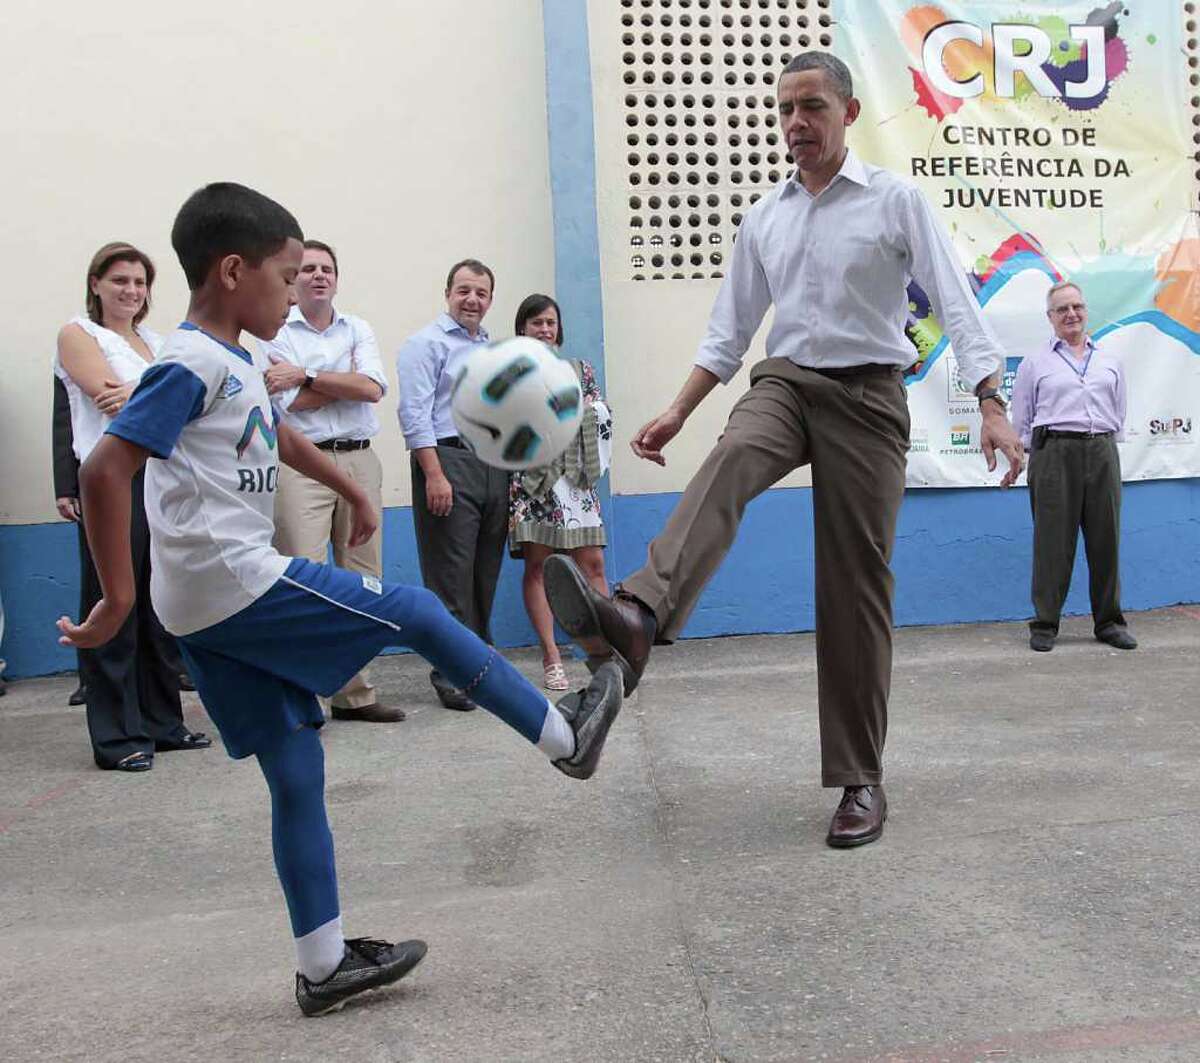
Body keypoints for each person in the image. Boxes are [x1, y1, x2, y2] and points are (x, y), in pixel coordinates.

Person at [57, 182, 623, 1017]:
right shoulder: (187, 361)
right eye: (285, 277)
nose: (292, 292)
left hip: (203, 601)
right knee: (420, 612)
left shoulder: (234, 360)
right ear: (231, 269)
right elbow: (107, 467)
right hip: (235, 580)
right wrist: (115, 598)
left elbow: (273, 431)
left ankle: (323, 966)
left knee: (296, 767)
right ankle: (565, 736)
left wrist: (345, 487)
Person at [540, 52, 1024, 849]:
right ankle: (637, 611)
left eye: (810, 108)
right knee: (733, 456)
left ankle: (859, 777)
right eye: (785, 111)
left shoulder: (895, 200)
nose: (795, 125)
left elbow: (956, 302)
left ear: (848, 113)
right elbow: (728, 333)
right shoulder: (765, 217)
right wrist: (675, 411)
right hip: (789, 383)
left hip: (869, 397)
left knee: (854, 584)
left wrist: (992, 401)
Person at [53, 241, 209, 771]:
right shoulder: (79, 334)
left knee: (159, 606)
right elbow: (103, 393)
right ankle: (119, 737)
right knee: (112, 605)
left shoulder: (156, 342)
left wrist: (140, 389)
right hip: (111, 482)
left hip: (159, 480)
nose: (131, 291)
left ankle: (164, 723)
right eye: (120, 280)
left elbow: (182, 401)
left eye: (140, 283)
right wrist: (155, 391)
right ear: (96, 283)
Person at [260, 240, 403, 723]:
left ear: (336, 279)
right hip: (304, 465)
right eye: (307, 269)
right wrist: (343, 385)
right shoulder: (276, 332)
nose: (318, 276)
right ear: (293, 279)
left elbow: (373, 390)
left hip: (362, 461)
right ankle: (303, 698)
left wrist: (307, 376)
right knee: (304, 578)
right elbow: (287, 406)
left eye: (327, 269)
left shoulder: (358, 327)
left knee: (363, 580)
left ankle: (354, 694)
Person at [396, 260, 509, 712]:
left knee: (484, 573)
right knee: (450, 576)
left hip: (491, 462)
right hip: (447, 458)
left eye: (481, 293)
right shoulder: (424, 344)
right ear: (448, 294)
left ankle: (479, 664)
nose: (472, 300)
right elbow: (414, 412)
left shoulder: (493, 350)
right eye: (464, 291)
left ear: (489, 300)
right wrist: (434, 473)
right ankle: (450, 672)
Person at [1008, 281, 1134, 652]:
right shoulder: (1035, 362)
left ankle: (1109, 622)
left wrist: (1102, 443)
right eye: (1061, 309)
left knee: (1105, 540)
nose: (1071, 314)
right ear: (1050, 318)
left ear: (1086, 311)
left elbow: (1119, 410)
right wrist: (1024, 457)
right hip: (1053, 454)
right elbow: (1023, 417)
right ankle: (1045, 623)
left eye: (1076, 306)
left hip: (1101, 451)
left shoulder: (1110, 361)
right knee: (1052, 542)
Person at [508, 294, 612, 690]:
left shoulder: (580, 370)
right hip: (534, 480)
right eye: (537, 322)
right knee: (537, 567)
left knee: (594, 565)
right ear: (523, 329)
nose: (545, 329)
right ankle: (551, 657)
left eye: (551, 322)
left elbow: (597, 412)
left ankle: (603, 651)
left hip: (575, 477)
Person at [52, 376, 87, 707]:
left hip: (152, 478)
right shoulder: (79, 344)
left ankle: (170, 668)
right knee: (99, 584)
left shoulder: (151, 344)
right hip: (93, 477)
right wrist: (65, 487)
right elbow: (65, 420)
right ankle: (91, 677)